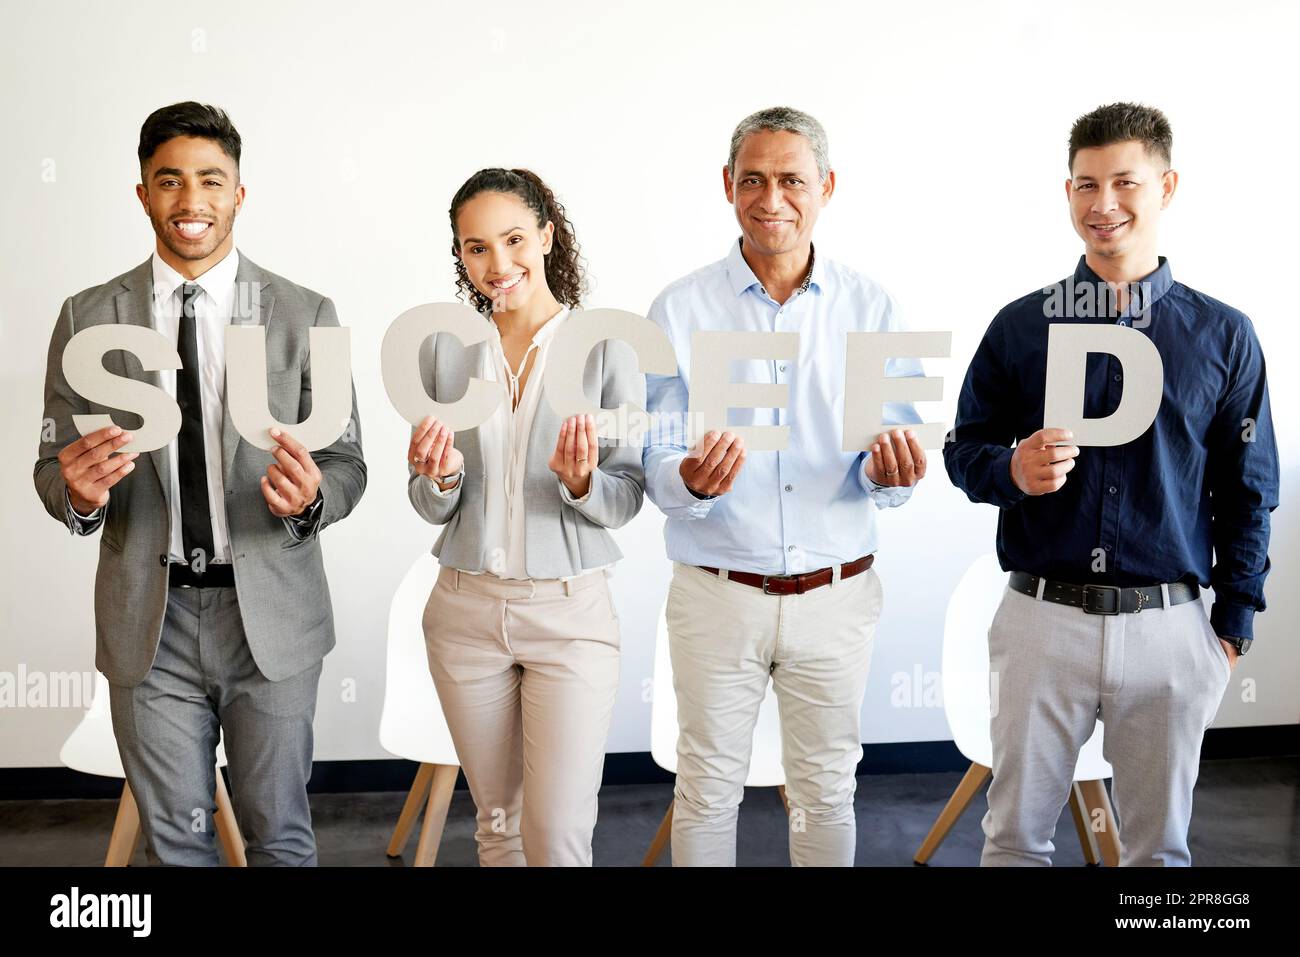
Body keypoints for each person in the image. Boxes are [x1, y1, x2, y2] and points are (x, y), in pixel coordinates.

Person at [943, 102, 1278, 866]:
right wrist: (1011, 470)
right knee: (1013, 842)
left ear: (1167, 186)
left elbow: (1249, 487)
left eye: (1124, 182)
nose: (1103, 204)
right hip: (1041, 620)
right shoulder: (1022, 326)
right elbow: (965, 450)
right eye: (1085, 185)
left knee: (1157, 853)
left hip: (1171, 626)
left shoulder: (1224, 334)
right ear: (1067, 194)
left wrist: (1231, 625)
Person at [33, 102, 367, 865]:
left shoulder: (306, 312)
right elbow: (52, 469)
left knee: (280, 835)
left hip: (272, 617)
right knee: (176, 843)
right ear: (144, 193)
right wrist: (80, 495)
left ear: (239, 195)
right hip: (150, 622)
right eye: (170, 181)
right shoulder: (87, 316)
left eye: (210, 181)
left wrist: (312, 499)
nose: (191, 202)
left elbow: (349, 462)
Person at [641, 107, 929, 866]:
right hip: (716, 591)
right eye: (755, 179)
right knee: (705, 786)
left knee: (827, 789)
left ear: (826, 187)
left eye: (792, 180)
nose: (772, 199)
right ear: (728, 186)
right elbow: (653, 458)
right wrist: (689, 479)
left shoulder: (872, 308)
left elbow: (888, 469)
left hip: (836, 594)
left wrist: (889, 471)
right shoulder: (677, 309)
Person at [407, 168, 645, 866]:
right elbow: (427, 502)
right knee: (499, 825)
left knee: (558, 834)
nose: (498, 264)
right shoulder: (445, 350)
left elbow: (627, 494)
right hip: (464, 611)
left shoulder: (607, 348)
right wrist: (440, 475)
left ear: (546, 235)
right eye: (476, 247)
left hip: (569, 618)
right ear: (460, 255)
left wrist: (580, 483)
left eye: (513, 239)